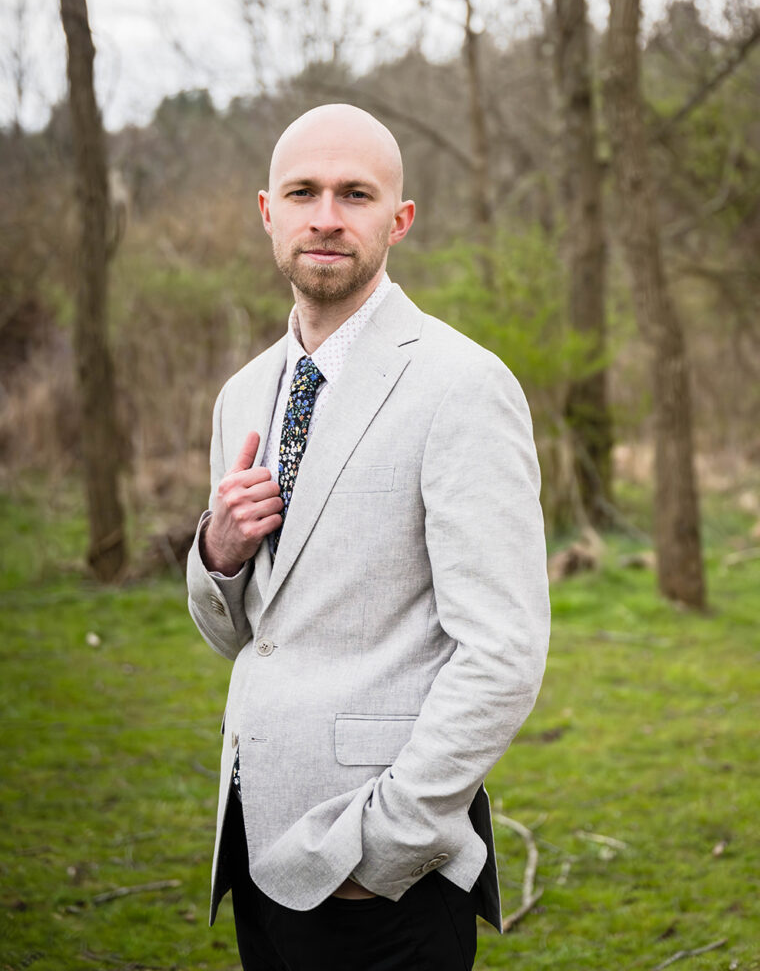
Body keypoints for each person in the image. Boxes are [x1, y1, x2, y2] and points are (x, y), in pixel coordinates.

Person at [186, 103, 550, 971]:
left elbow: (502, 651)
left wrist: (388, 843)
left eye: (355, 194)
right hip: (253, 843)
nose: (325, 216)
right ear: (268, 212)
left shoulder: (462, 386)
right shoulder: (244, 394)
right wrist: (218, 557)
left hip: (380, 877)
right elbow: (244, 636)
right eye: (303, 192)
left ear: (400, 219)